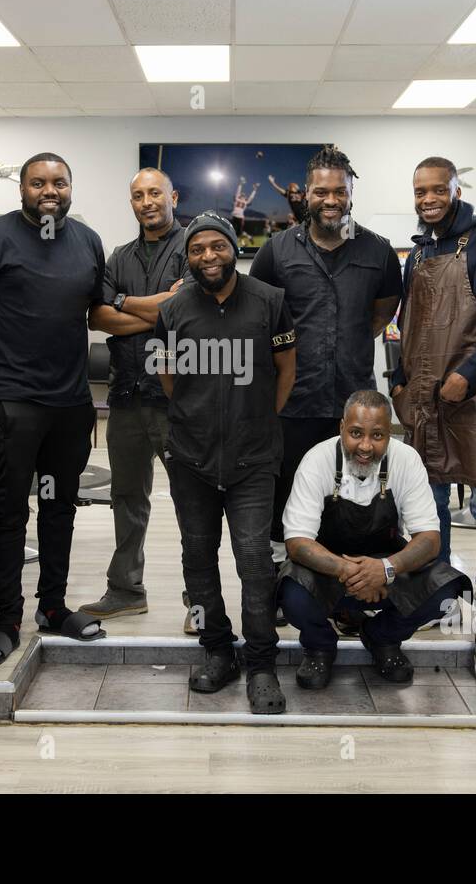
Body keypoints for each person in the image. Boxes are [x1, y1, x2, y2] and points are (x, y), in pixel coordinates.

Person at [0, 153, 107, 666]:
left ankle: (54, 607)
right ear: (21, 189)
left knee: (60, 506)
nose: (49, 190)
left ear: (70, 187)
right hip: (12, 399)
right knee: (10, 510)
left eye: (58, 182)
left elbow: (98, 310)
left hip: (71, 401)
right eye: (37, 182)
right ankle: (8, 618)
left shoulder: (87, 241)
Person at [153, 211, 296, 714]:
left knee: (255, 559)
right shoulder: (172, 311)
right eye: (197, 249)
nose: (208, 256)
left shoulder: (270, 302)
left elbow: (285, 370)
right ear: (187, 256)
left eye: (217, 246)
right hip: (190, 458)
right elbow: (169, 377)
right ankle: (217, 651)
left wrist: (254, 420)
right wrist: (196, 420)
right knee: (197, 557)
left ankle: (260, 663)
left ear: (233, 248)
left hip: (254, 458)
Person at [389, 156, 476, 682]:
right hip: (421, 400)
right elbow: (402, 325)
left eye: (437, 189)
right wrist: (397, 382)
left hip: (475, 399)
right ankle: (438, 600)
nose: (427, 199)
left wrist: (470, 374)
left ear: (457, 189)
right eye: (419, 191)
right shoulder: (417, 253)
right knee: (429, 507)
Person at [250, 145, 401, 572]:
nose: (330, 200)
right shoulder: (276, 251)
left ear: (351, 192)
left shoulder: (379, 252)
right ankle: (282, 579)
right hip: (292, 400)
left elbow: (383, 311)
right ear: (307, 194)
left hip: (354, 402)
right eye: (321, 192)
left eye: (340, 191)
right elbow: (257, 316)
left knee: (352, 496)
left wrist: (346, 339)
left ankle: (346, 583)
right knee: (287, 490)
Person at [280, 391, 471, 689]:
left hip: (388, 574)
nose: (366, 446)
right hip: (329, 571)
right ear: (342, 427)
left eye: (377, 435)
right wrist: (351, 572)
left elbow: (429, 539)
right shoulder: (317, 459)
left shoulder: (407, 460)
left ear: (390, 432)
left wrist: (385, 569)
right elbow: (297, 542)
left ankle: (383, 637)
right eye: (356, 433)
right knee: (290, 591)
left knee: (447, 588)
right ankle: (320, 647)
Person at [79, 168, 187, 621]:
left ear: (173, 197)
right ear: (132, 203)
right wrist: (155, 308)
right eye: (138, 195)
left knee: (190, 499)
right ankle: (126, 589)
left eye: (155, 193)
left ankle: (198, 600)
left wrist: (123, 302)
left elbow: (187, 308)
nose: (148, 201)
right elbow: (97, 319)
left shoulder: (193, 247)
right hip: (125, 395)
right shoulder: (118, 256)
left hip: (177, 398)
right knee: (126, 497)